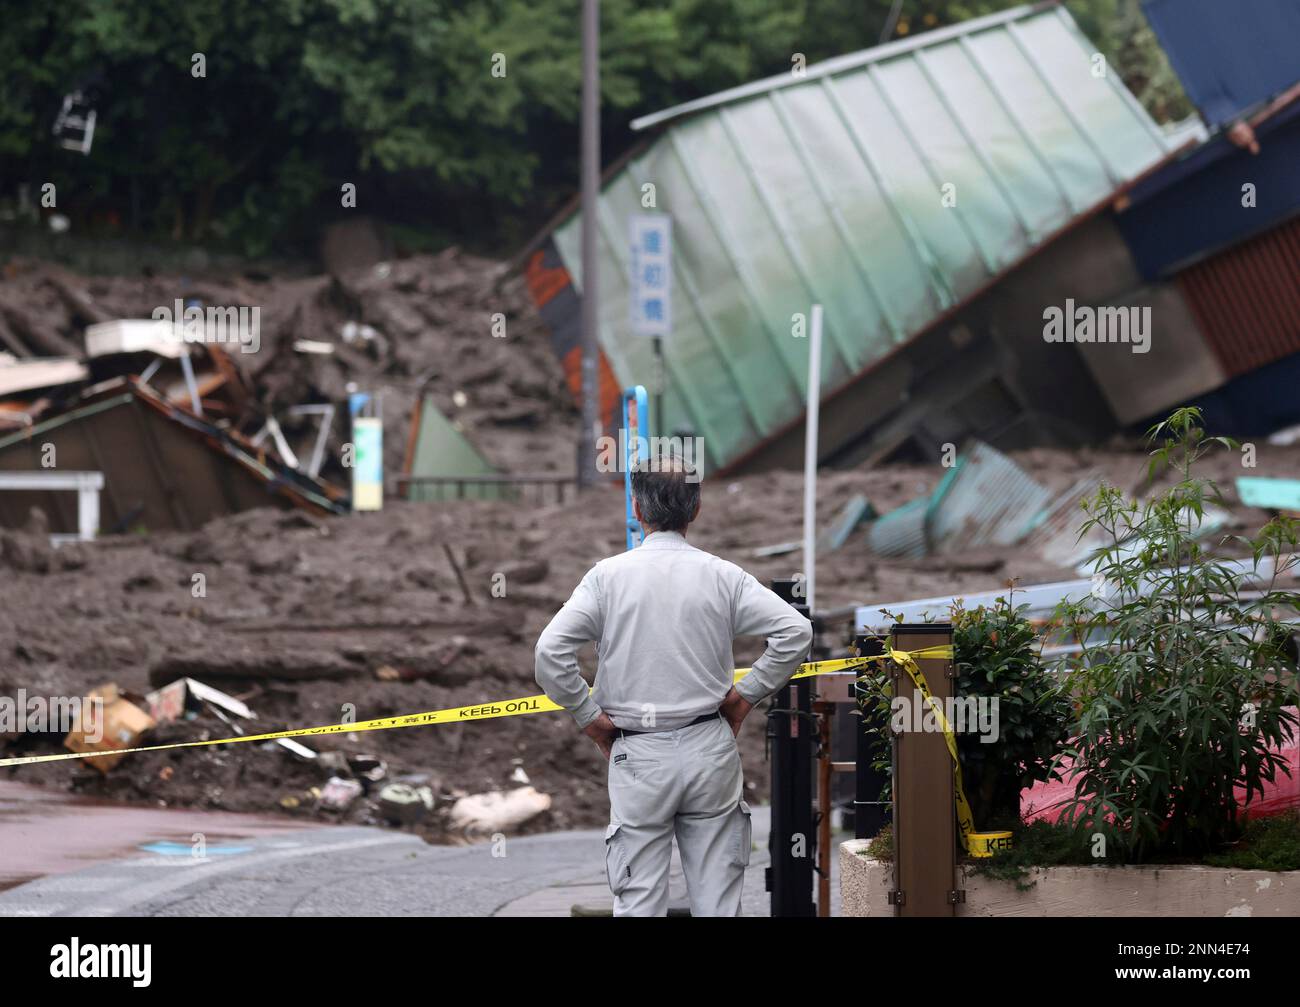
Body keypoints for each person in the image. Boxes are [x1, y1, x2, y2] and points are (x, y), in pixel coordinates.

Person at [534, 451, 813, 916]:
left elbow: (549, 653)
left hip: (637, 753)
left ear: (637, 509)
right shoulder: (724, 576)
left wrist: (588, 716)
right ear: (696, 508)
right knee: (719, 901)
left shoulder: (606, 578)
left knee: (639, 899)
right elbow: (796, 632)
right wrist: (745, 696)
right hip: (710, 745)